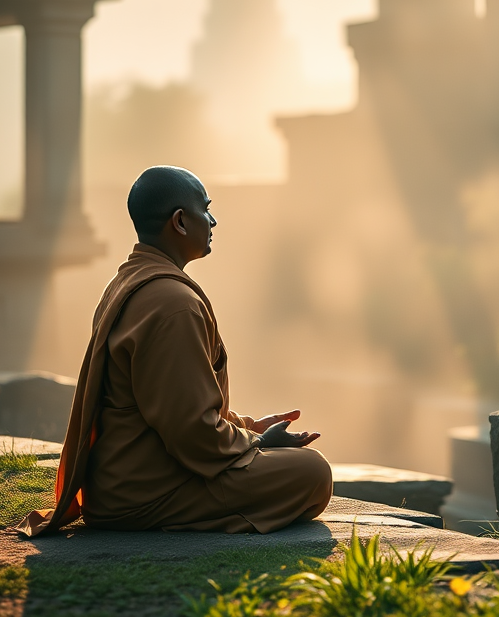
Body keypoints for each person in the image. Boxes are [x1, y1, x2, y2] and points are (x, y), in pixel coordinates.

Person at [17, 165, 332, 537]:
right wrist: (260, 442)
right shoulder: (173, 303)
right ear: (180, 222)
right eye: (206, 209)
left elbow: (173, 406)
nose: (213, 221)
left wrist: (247, 426)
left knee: (293, 465)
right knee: (313, 473)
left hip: (119, 483)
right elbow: (192, 433)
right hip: (143, 493)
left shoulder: (127, 282)